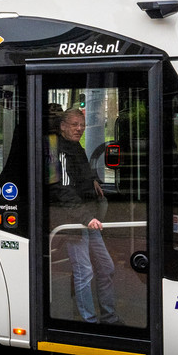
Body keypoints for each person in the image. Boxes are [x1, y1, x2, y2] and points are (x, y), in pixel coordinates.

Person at [48, 107, 121, 325]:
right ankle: (89, 322)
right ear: (62, 126)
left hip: (87, 218)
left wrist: (93, 182)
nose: (79, 129)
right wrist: (86, 218)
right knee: (84, 271)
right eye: (74, 125)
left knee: (106, 267)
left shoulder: (74, 147)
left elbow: (79, 174)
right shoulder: (56, 149)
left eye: (82, 125)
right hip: (73, 222)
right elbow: (62, 189)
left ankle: (109, 317)